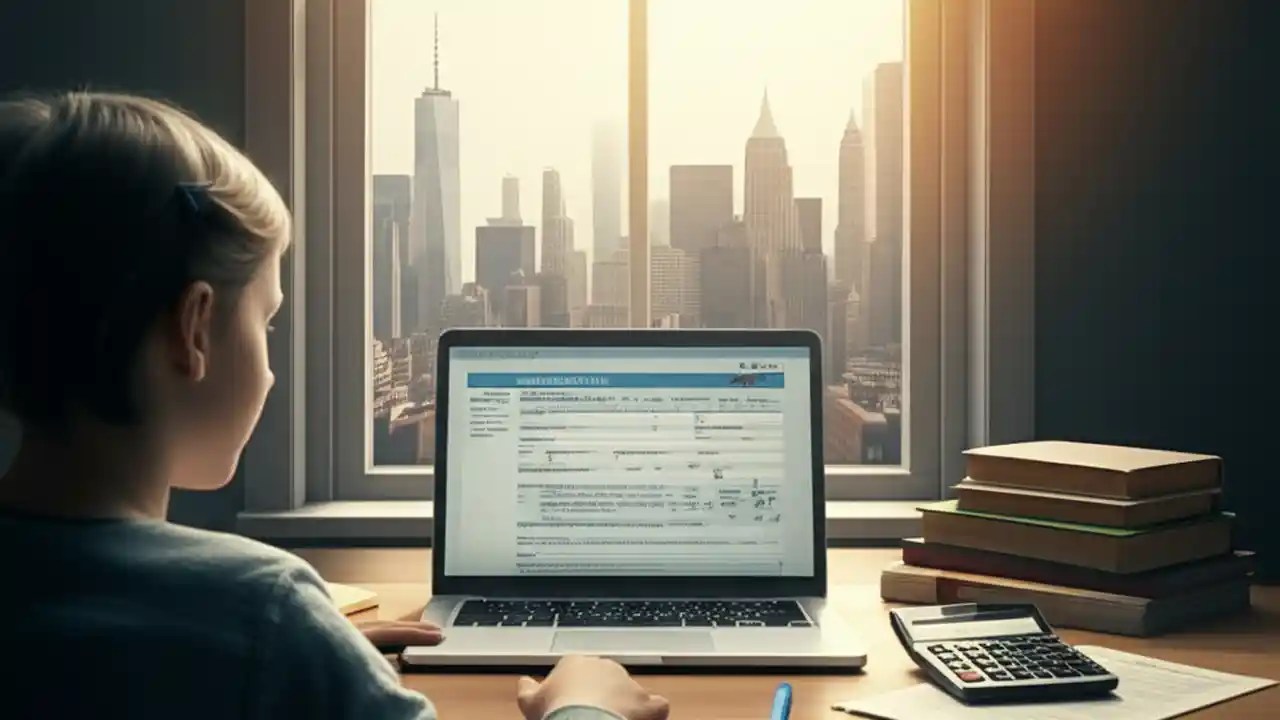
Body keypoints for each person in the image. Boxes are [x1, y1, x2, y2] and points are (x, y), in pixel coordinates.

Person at [0, 91, 669, 720]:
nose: (268, 372)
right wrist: (584, 703)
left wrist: (322, 654)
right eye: (266, 325)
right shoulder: (264, 609)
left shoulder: (265, 627)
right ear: (194, 330)